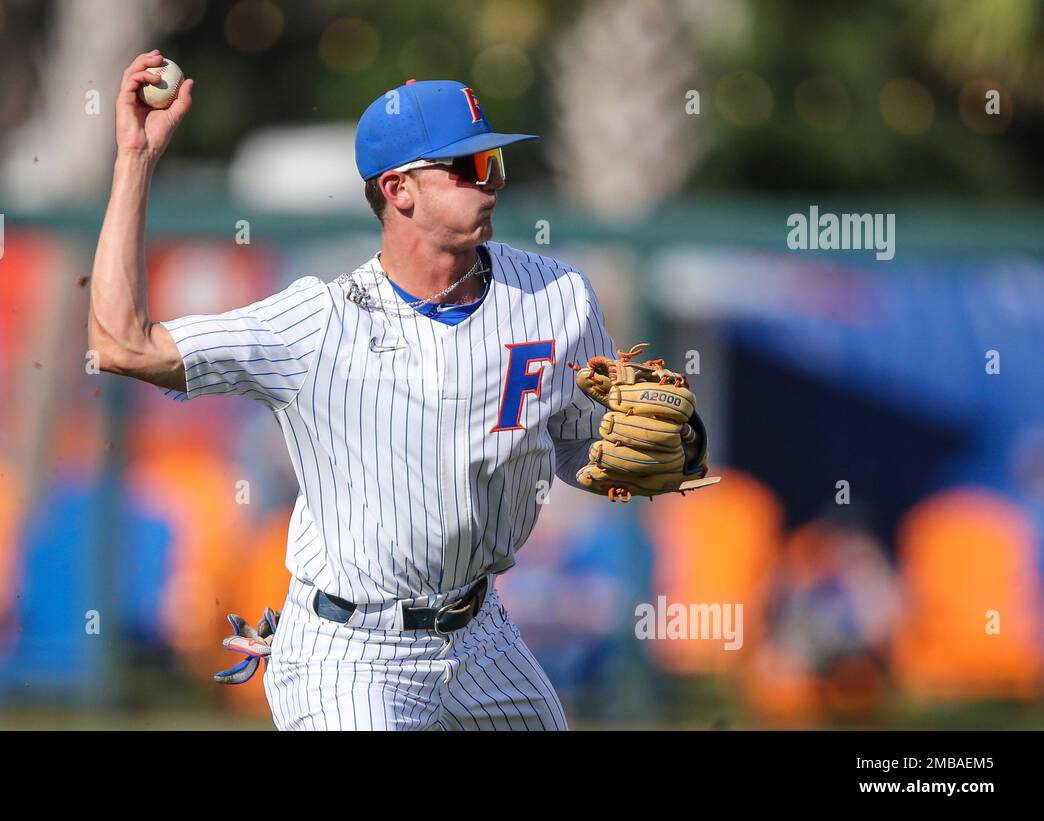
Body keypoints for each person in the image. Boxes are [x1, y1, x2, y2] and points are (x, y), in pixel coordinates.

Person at [88, 52, 705, 729]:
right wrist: (136, 159)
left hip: (480, 636)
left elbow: (584, 451)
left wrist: (652, 459)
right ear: (399, 189)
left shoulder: (556, 297)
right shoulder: (316, 324)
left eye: (495, 163)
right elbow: (123, 344)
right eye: (467, 167)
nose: (491, 183)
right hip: (348, 649)